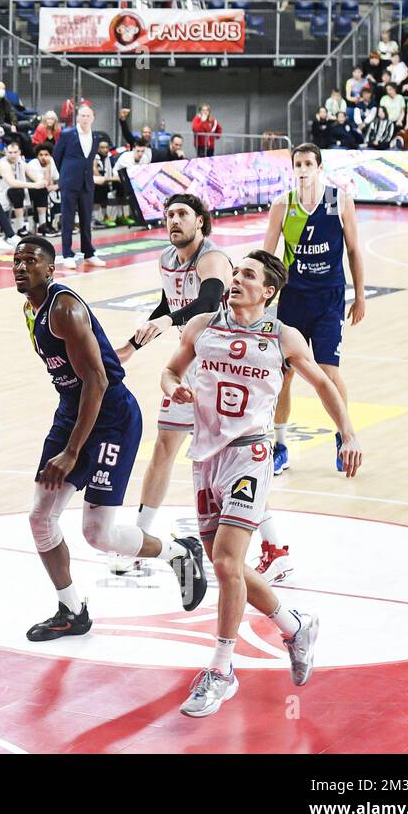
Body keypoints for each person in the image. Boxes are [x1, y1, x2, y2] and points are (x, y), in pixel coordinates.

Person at [162, 250, 362, 717]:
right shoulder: (202, 327)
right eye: (235, 274)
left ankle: (221, 669)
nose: (236, 281)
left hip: (250, 454)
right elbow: (170, 370)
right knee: (223, 564)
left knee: (229, 561)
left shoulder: (281, 336)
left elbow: (324, 384)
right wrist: (174, 387)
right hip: (204, 456)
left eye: (247, 276)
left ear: (268, 291)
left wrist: (347, 433)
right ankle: (293, 624)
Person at [13, 235, 206, 643]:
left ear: (50, 270)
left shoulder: (63, 307)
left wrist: (71, 451)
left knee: (98, 533)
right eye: (16, 260)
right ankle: (71, 610)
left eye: (30, 260)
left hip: (112, 416)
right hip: (74, 408)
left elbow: (98, 379)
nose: (20, 266)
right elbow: (96, 363)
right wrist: (132, 345)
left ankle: (178, 553)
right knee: (40, 516)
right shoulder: (30, 311)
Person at [257, 143, 365, 579]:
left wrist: (360, 294)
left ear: (320, 168)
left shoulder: (340, 200)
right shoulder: (282, 205)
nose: (302, 171)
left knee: (327, 371)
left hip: (328, 298)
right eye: (297, 165)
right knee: (282, 376)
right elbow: (267, 257)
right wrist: (264, 303)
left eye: (308, 165)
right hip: (293, 298)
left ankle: (344, 436)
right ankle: (281, 444)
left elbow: (354, 250)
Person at [112, 194, 231, 574]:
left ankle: (274, 544)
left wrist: (167, 323)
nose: (174, 221)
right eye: (169, 215)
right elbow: (169, 304)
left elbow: (209, 301)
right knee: (163, 447)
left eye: (182, 214)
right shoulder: (166, 259)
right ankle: (140, 542)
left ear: (200, 220)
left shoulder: (211, 258)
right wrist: (132, 346)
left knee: (228, 464)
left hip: (223, 372)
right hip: (186, 367)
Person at [52, 104, 103, 269]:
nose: (85, 118)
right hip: (69, 182)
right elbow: (57, 156)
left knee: (86, 219)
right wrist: (66, 175)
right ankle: (67, 253)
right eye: (82, 115)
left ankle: (88, 253)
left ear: (93, 118)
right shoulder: (68, 134)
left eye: (88, 116)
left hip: (87, 183)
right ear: (77, 117)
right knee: (67, 219)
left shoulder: (95, 137)